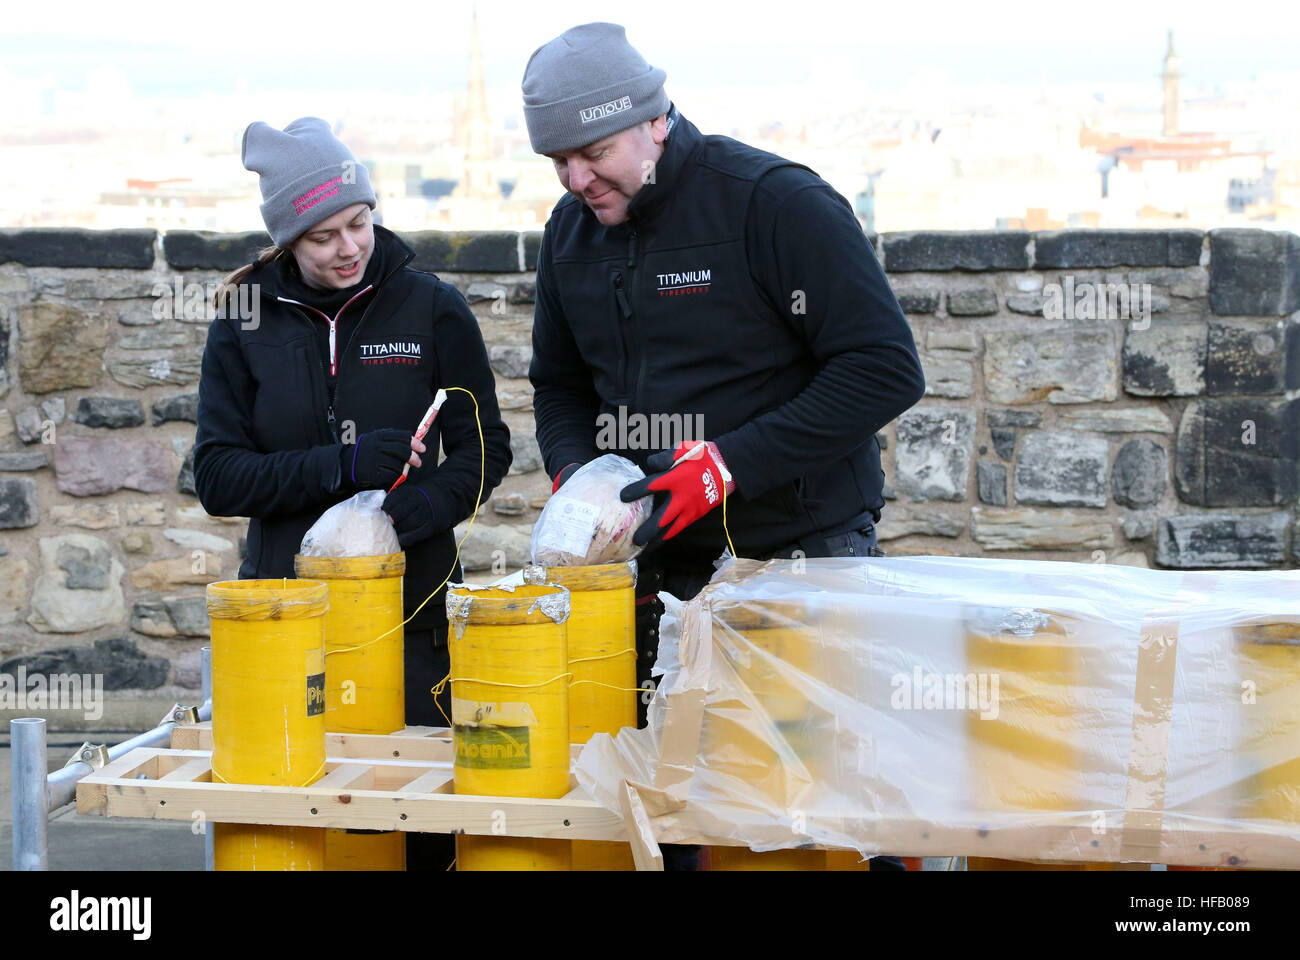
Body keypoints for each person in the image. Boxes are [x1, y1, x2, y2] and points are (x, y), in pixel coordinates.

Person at [522, 24, 925, 869]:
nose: (575, 178)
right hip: (657, 573)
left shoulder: (772, 202)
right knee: (675, 819)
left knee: (824, 817)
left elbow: (884, 369)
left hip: (800, 557)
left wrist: (723, 468)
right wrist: (576, 474)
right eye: (557, 160)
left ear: (654, 119)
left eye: (592, 152)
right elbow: (559, 383)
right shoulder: (572, 235)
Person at [194, 117, 512, 869]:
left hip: (414, 626)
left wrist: (420, 508)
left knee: (419, 832)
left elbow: (483, 448)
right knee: (296, 836)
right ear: (286, 240)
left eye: (359, 222)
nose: (348, 247)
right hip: (284, 624)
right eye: (323, 235)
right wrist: (338, 469)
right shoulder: (243, 322)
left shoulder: (432, 307)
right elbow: (217, 476)